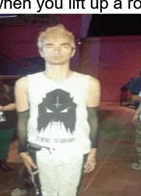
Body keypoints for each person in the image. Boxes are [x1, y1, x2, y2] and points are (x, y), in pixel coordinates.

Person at [15, 24, 100, 196]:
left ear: (73, 51)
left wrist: (93, 149)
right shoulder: (25, 83)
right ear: (41, 51)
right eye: (50, 46)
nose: (57, 51)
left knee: (70, 192)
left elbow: (92, 118)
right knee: (44, 192)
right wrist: (22, 150)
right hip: (40, 149)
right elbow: (22, 118)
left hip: (75, 149)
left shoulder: (89, 83)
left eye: (64, 46)